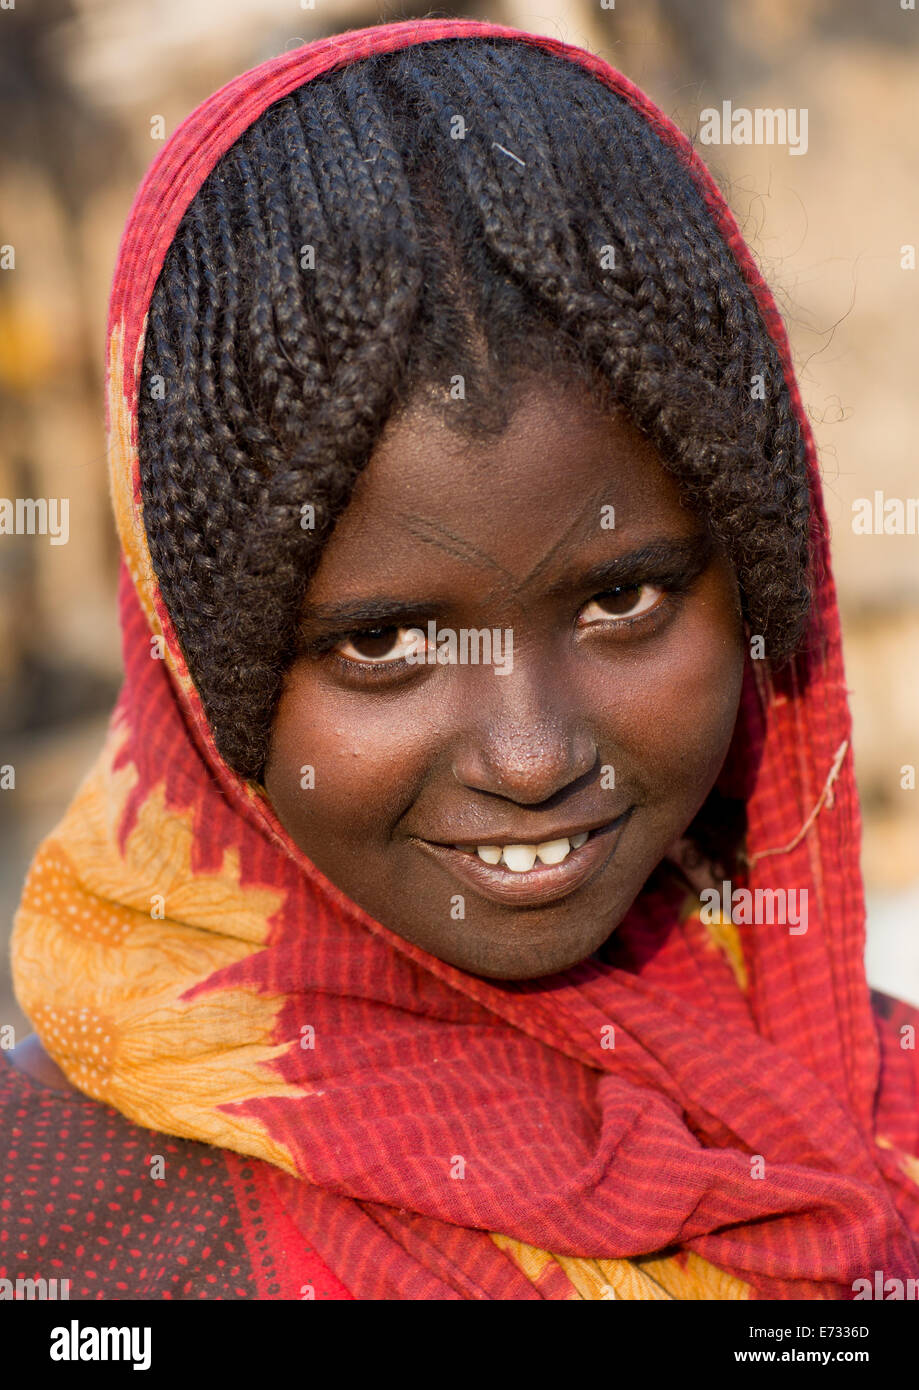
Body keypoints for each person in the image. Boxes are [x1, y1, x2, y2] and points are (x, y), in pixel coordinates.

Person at [3, 16, 918, 1301]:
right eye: (384, 641)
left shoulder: (880, 1123)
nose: (533, 754)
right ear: (204, 663)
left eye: (624, 598)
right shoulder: (56, 1219)